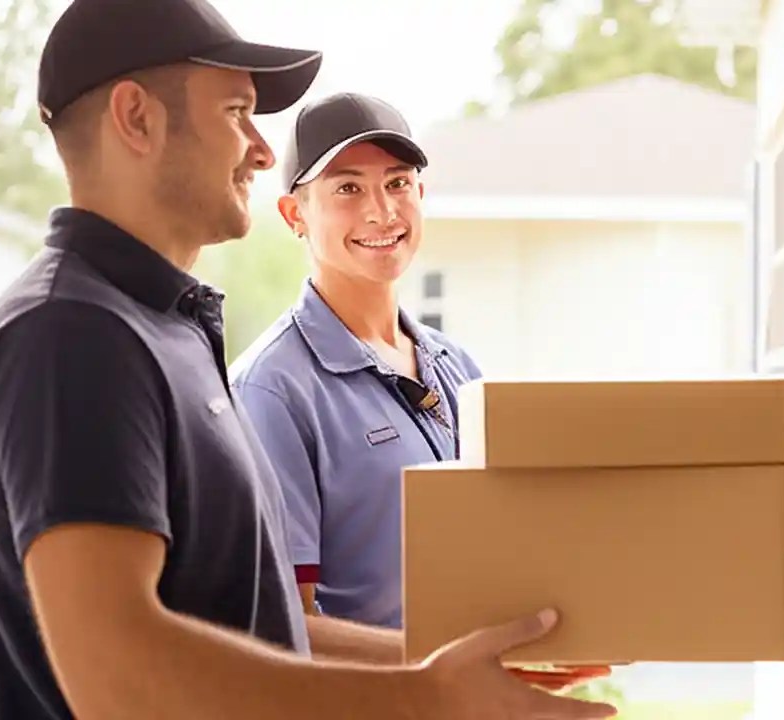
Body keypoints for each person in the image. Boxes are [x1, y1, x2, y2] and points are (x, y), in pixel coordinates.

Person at [0, 0, 616, 717]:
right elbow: (116, 672)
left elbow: (259, 630)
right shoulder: (71, 335)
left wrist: (449, 663)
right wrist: (425, 696)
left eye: (397, 183)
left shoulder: (161, 329)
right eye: (237, 112)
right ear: (137, 118)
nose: (263, 152)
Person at [229, 93, 612, 691]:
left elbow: (503, 554)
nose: (382, 212)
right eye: (348, 189)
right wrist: (442, 671)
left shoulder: (457, 367)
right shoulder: (272, 390)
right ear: (293, 214)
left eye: (398, 183)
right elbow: (280, 627)